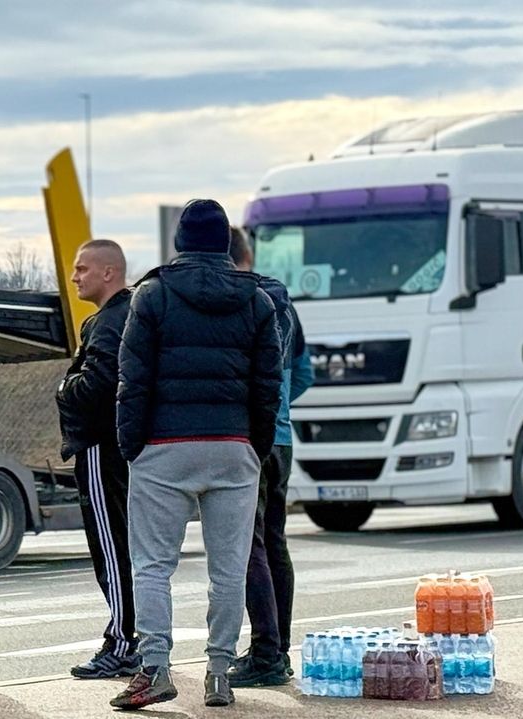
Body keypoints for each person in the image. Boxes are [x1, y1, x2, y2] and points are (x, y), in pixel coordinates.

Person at [111, 200, 282, 710]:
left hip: (164, 447)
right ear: (227, 247)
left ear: (180, 242)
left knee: (152, 566)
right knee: (228, 570)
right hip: (233, 447)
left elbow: (132, 380)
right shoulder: (258, 301)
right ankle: (219, 673)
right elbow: (268, 386)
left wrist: (132, 448)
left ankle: (156, 669)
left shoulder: (153, 295)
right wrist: (255, 446)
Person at [227, 227, 315, 688]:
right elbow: (304, 373)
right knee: (274, 542)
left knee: (248, 546)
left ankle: (264, 653)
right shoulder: (283, 301)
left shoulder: (240, 302)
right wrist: (281, 405)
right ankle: (277, 649)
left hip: (249, 437)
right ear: (247, 253)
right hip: (282, 439)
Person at [55, 239, 138, 678]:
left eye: (82, 269)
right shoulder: (134, 313)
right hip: (127, 444)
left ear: (109, 273)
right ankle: (132, 635)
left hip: (100, 448)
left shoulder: (106, 322)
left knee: (110, 544)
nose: (74, 277)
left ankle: (123, 643)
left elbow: (98, 384)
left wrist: (63, 390)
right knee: (131, 545)